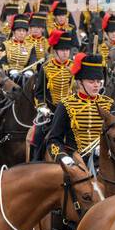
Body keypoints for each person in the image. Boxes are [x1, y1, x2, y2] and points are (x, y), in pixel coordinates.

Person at [45, 52, 113, 160]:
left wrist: (107, 148)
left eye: (98, 81)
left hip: (104, 161)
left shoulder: (109, 104)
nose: (96, 85)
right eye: (91, 82)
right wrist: (63, 157)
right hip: (75, 162)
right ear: (80, 83)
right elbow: (54, 140)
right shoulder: (65, 105)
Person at [29, 30, 79, 161]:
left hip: (71, 111)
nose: (65, 53)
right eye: (62, 50)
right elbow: (39, 93)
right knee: (37, 135)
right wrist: (42, 107)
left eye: (67, 50)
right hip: (50, 113)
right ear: (55, 51)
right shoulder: (46, 68)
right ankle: (35, 161)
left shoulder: (74, 68)